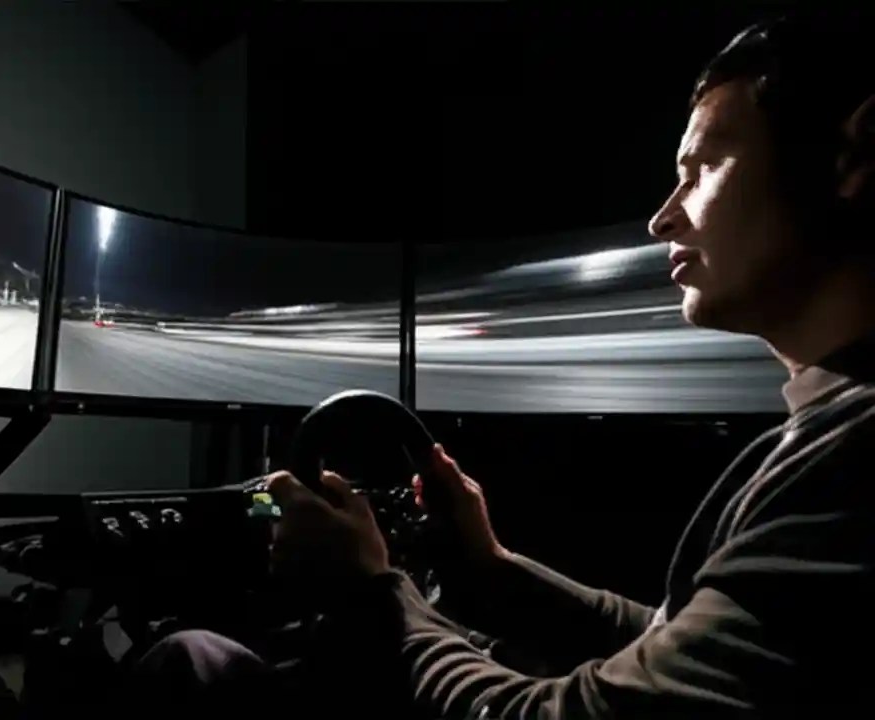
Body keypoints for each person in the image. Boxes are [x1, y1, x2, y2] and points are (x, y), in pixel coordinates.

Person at [129, 11, 875, 718]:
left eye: (703, 166)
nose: (663, 216)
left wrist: (374, 594)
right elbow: (675, 640)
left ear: (853, 157)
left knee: (193, 661)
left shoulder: (854, 458)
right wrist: (492, 572)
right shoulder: (829, 434)